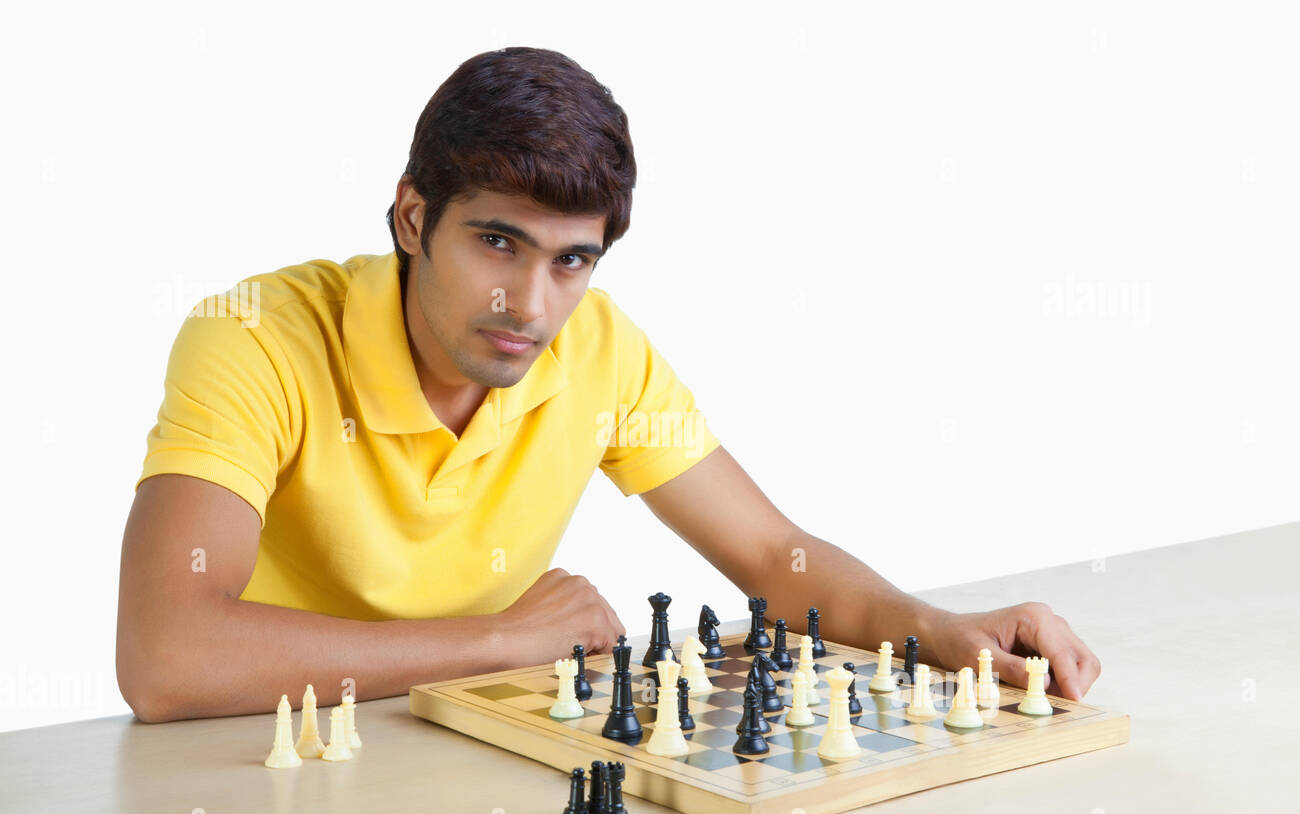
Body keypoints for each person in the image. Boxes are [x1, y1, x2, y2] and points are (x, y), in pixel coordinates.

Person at [116, 47, 1100, 722]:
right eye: (496, 240)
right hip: (263, 771)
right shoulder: (253, 337)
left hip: (469, 760)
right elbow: (167, 658)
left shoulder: (597, 350)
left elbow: (770, 551)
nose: (530, 306)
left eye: (571, 259)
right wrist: (496, 641)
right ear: (412, 218)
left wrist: (936, 627)